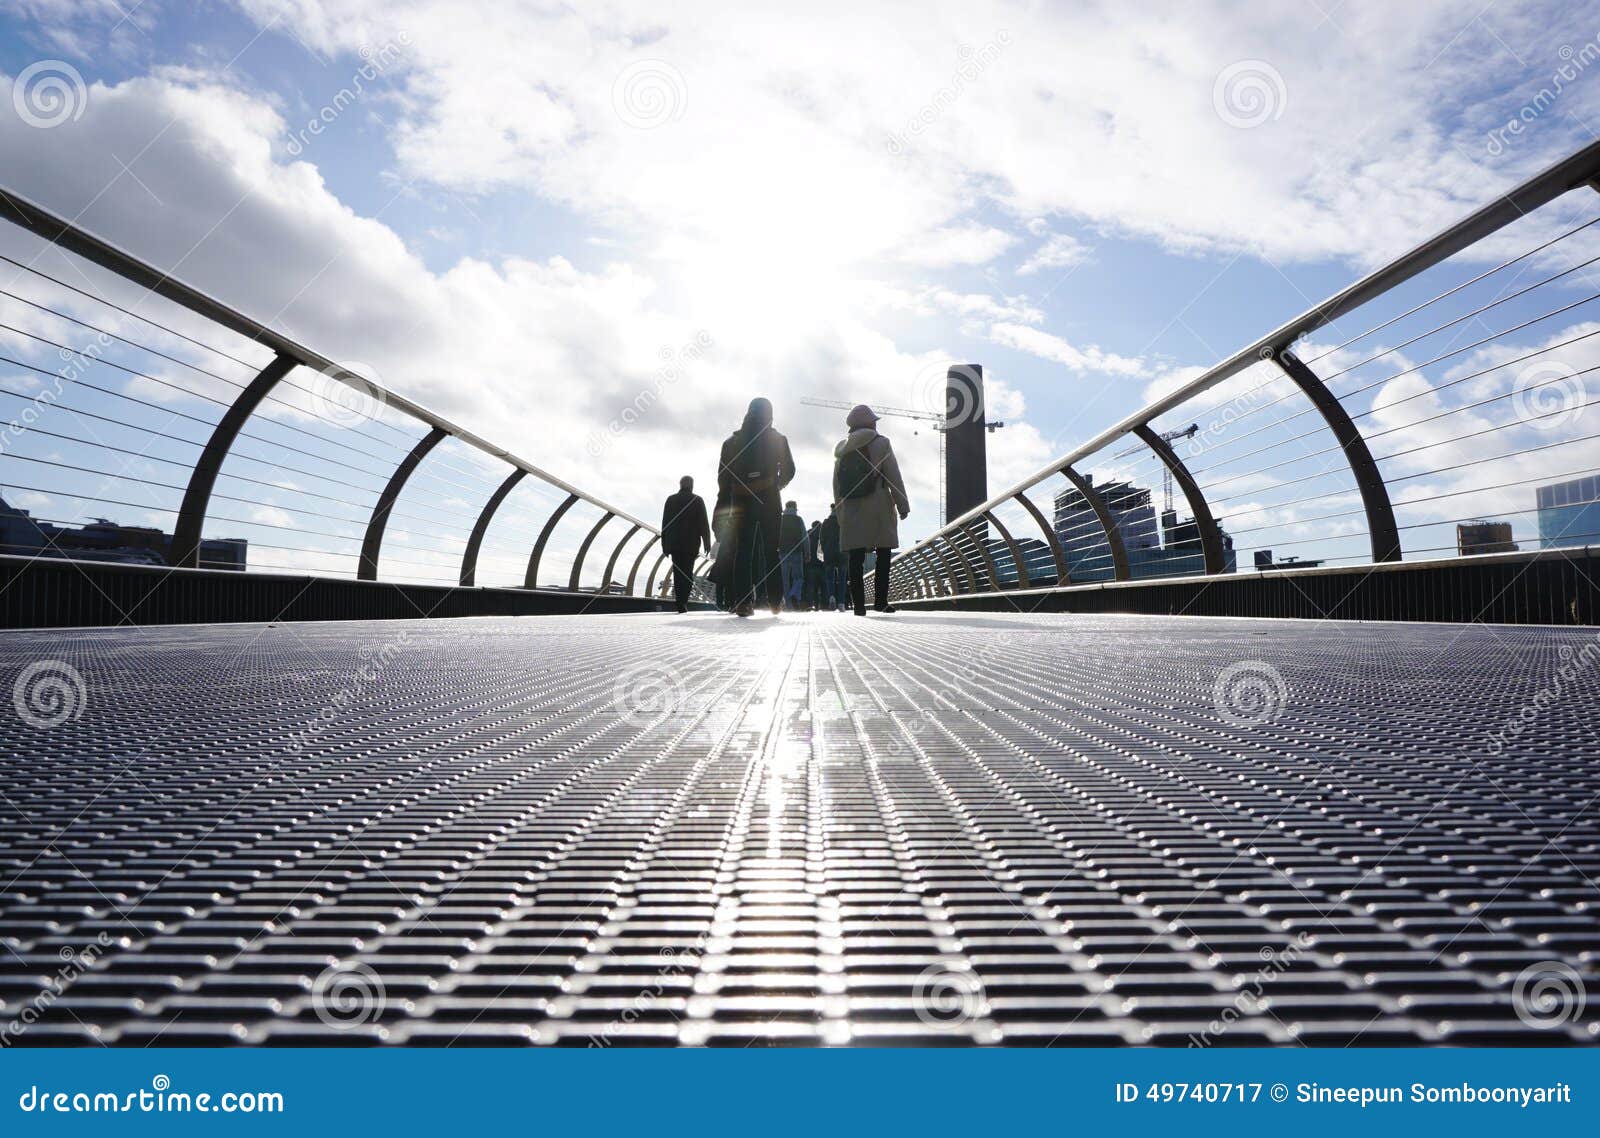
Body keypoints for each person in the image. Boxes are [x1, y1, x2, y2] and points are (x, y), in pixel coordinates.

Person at [717, 397, 795, 617]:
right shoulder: (778, 439)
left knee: (743, 550)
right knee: (771, 551)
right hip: (769, 499)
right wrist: (776, 485)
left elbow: (723, 480)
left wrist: (725, 506)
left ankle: (743, 602)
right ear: (770, 414)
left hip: (741, 501)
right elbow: (790, 470)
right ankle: (775, 602)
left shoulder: (731, 442)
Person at [832, 404, 910, 616]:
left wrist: (841, 515)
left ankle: (858, 606)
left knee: (855, 558)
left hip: (852, 508)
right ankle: (881, 602)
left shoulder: (842, 449)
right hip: (879, 507)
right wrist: (902, 505)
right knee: (883, 553)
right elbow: (894, 476)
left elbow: (837, 487)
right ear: (869, 423)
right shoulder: (882, 443)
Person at [661, 475, 711, 613]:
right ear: (692, 485)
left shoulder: (671, 500)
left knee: (678, 573)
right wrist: (707, 542)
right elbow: (703, 523)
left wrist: (664, 545)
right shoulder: (697, 500)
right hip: (691, 544)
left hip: (675, 544)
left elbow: (665, 523)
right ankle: (683, 601)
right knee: (688, 573)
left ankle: (679, 602)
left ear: (680, 484)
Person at [778, 501, 808, 610]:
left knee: (785, 579)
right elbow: (805, 536)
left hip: (783, 552)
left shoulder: (780, 520)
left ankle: (788, 604)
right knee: (799, 577)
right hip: (797, 552)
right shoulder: (798, 520)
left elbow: (775, 535)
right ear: (795, 508)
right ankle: (794, 594)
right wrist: (807, 552)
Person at [820, 506, 847, 610]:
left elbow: (821, 539)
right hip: (842, 552)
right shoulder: (844, 522)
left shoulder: (825, 523)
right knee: (842, 579)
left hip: (829, 553)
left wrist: (825, 550)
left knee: (829, 578)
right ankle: (841, 603)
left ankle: (831, 597)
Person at [804, 519, 826, 610]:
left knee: (811, 587)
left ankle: (810, 605)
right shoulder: (823, 534)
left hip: (810, 565)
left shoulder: (807, 534)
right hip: (822, 565)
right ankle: (824, 605)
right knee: (823, 587)